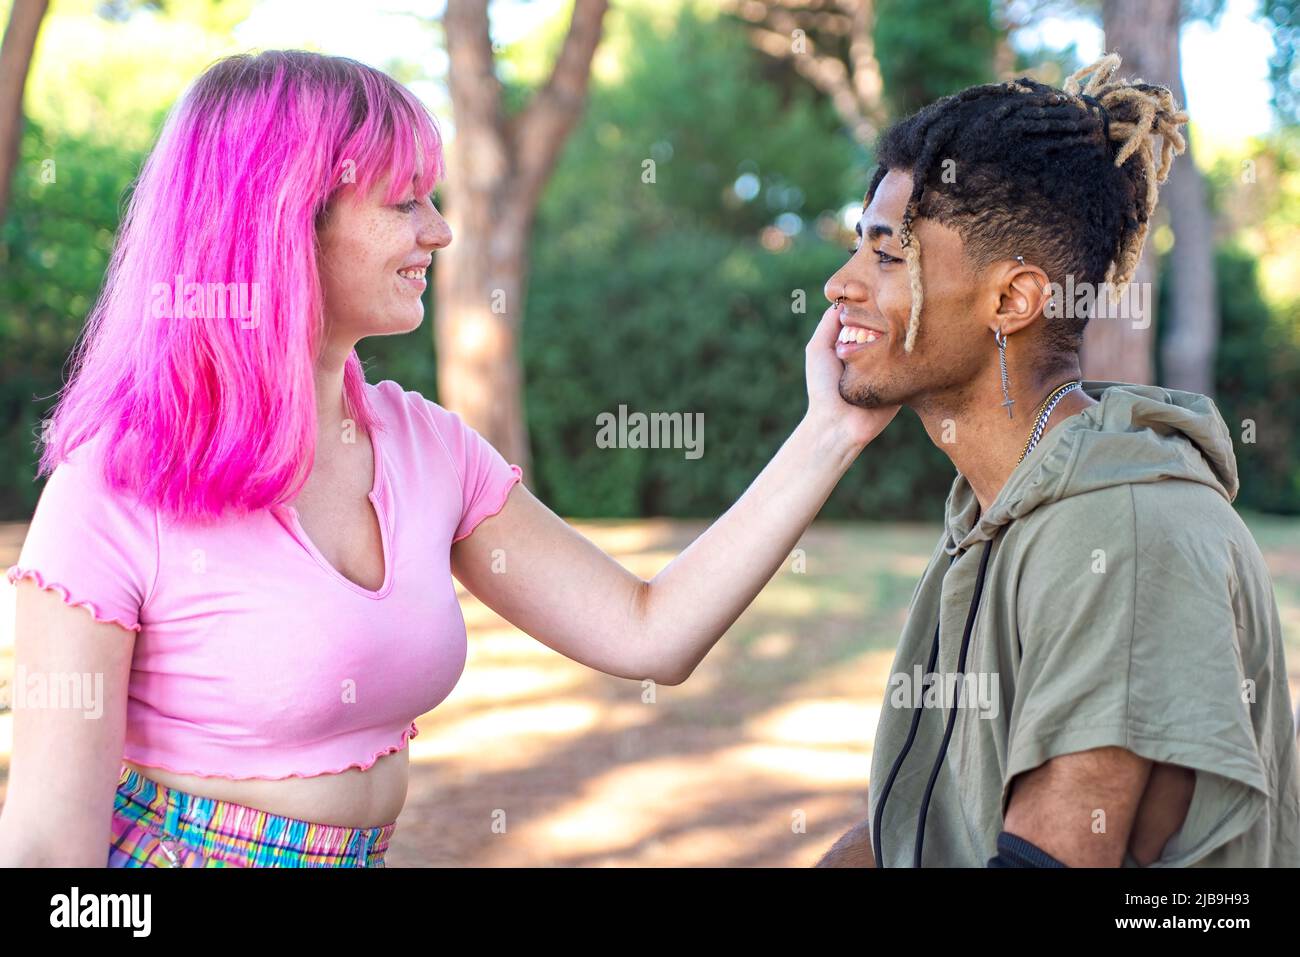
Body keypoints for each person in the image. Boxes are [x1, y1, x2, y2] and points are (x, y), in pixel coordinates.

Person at [0, 50, 895, 868]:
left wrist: (834, 430)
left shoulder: (427, 447)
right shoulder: (115, 487)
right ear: (283, 221)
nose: (439, 232)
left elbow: (648, 630)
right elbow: (45, 849)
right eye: (403, 203)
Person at [814, 53, 1300, 868]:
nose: (839, 285)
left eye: (887, 257)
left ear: (1012, 300)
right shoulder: (999, 503)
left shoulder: (1127, 526)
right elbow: (931, 821)